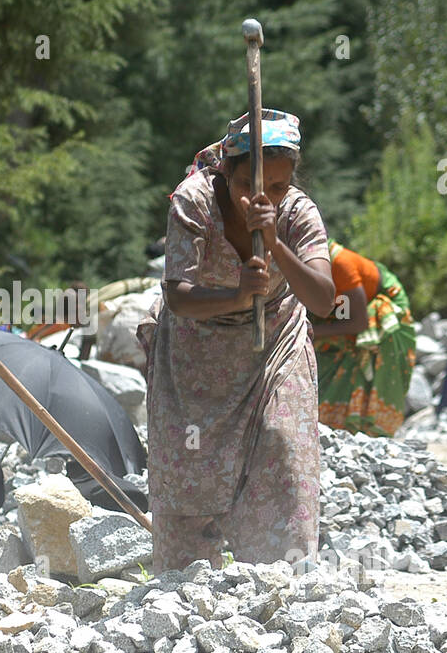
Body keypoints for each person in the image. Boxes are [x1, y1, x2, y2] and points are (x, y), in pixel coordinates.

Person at [140, 110, 335, 573]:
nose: (261, 197)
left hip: (274, 346)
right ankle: (185, 600)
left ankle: (283, 589)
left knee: (283, 450)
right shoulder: (194, 203)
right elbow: (179, 296)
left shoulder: (297, 211)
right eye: (248, 183)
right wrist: (237, 294)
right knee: (188, 474)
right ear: (225, 172)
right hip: (194, 357)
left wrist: (273, 240)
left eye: (277, 187)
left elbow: (324, 299)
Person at [311, 240, 416, 436]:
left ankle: (368, 426)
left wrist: (312, 331)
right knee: (332, 348)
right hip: (346, 308)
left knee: (364, 349)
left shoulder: (340, 264)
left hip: (380, 308)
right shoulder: (311, 267)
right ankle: (334, 418)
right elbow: (343, 311)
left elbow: (358, 324)